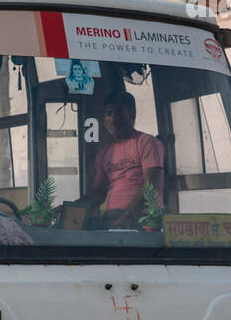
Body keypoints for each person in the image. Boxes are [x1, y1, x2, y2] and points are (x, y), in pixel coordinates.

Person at [70, 92, 164, 228]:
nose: (113, 118)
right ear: (103, 119)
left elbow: (151, 186)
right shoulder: (104, 152)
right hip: (114, 217)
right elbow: (99, 192)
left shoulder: (146, 142)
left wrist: (127, 217)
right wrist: (71, 207)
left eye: (119, 113)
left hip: (144, 219)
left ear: (132, 114)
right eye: (109, 113)